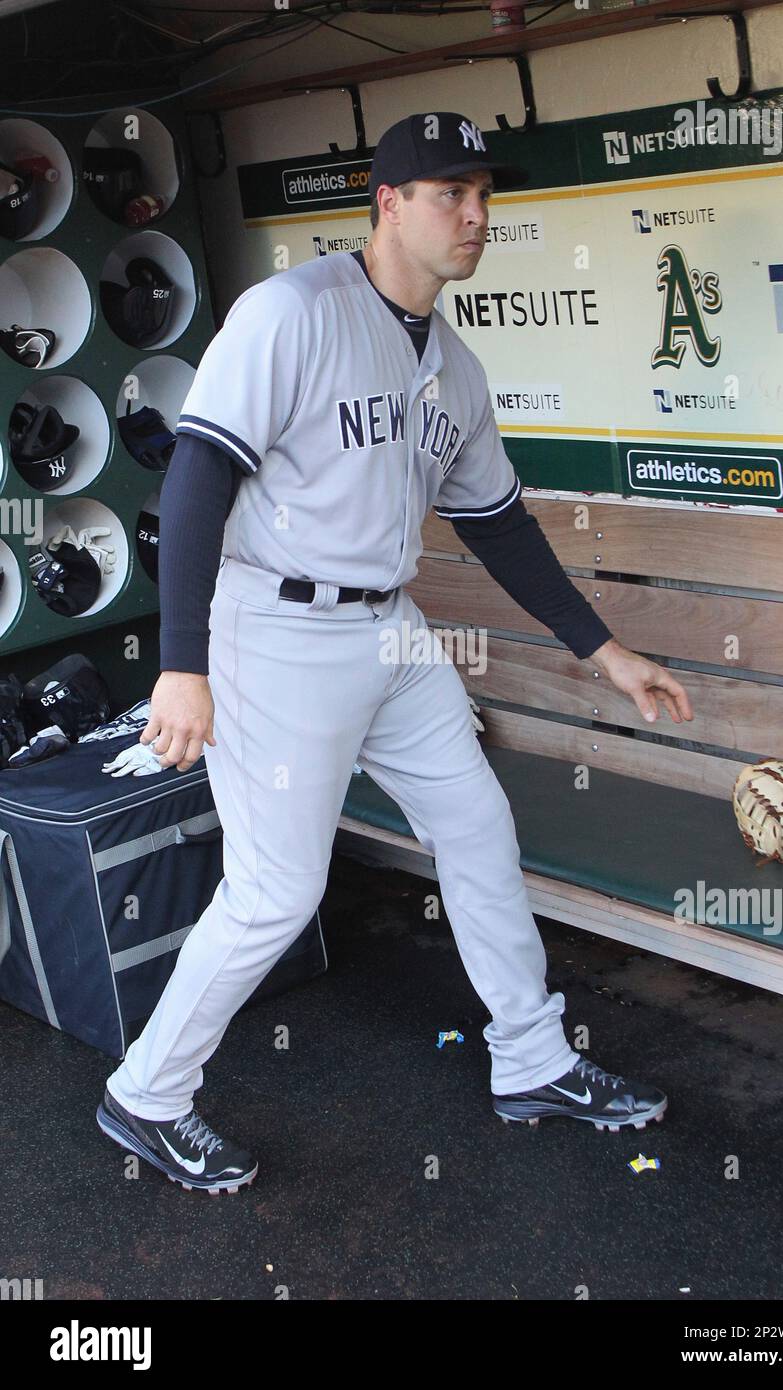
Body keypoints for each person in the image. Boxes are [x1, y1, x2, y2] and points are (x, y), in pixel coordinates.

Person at [96, 111, 694, 1194]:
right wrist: (180, 663)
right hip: (271, 629)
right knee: (276, 892)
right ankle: (147, 1091)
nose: (472, 215)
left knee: (475, 824)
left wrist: (602, 650)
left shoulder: (456, 368)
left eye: (480, 195)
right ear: (386, 203)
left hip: (389, 627)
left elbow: (498, 522)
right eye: (446, 194)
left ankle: (532, 1057)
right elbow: (195, 479)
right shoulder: (292, 313)